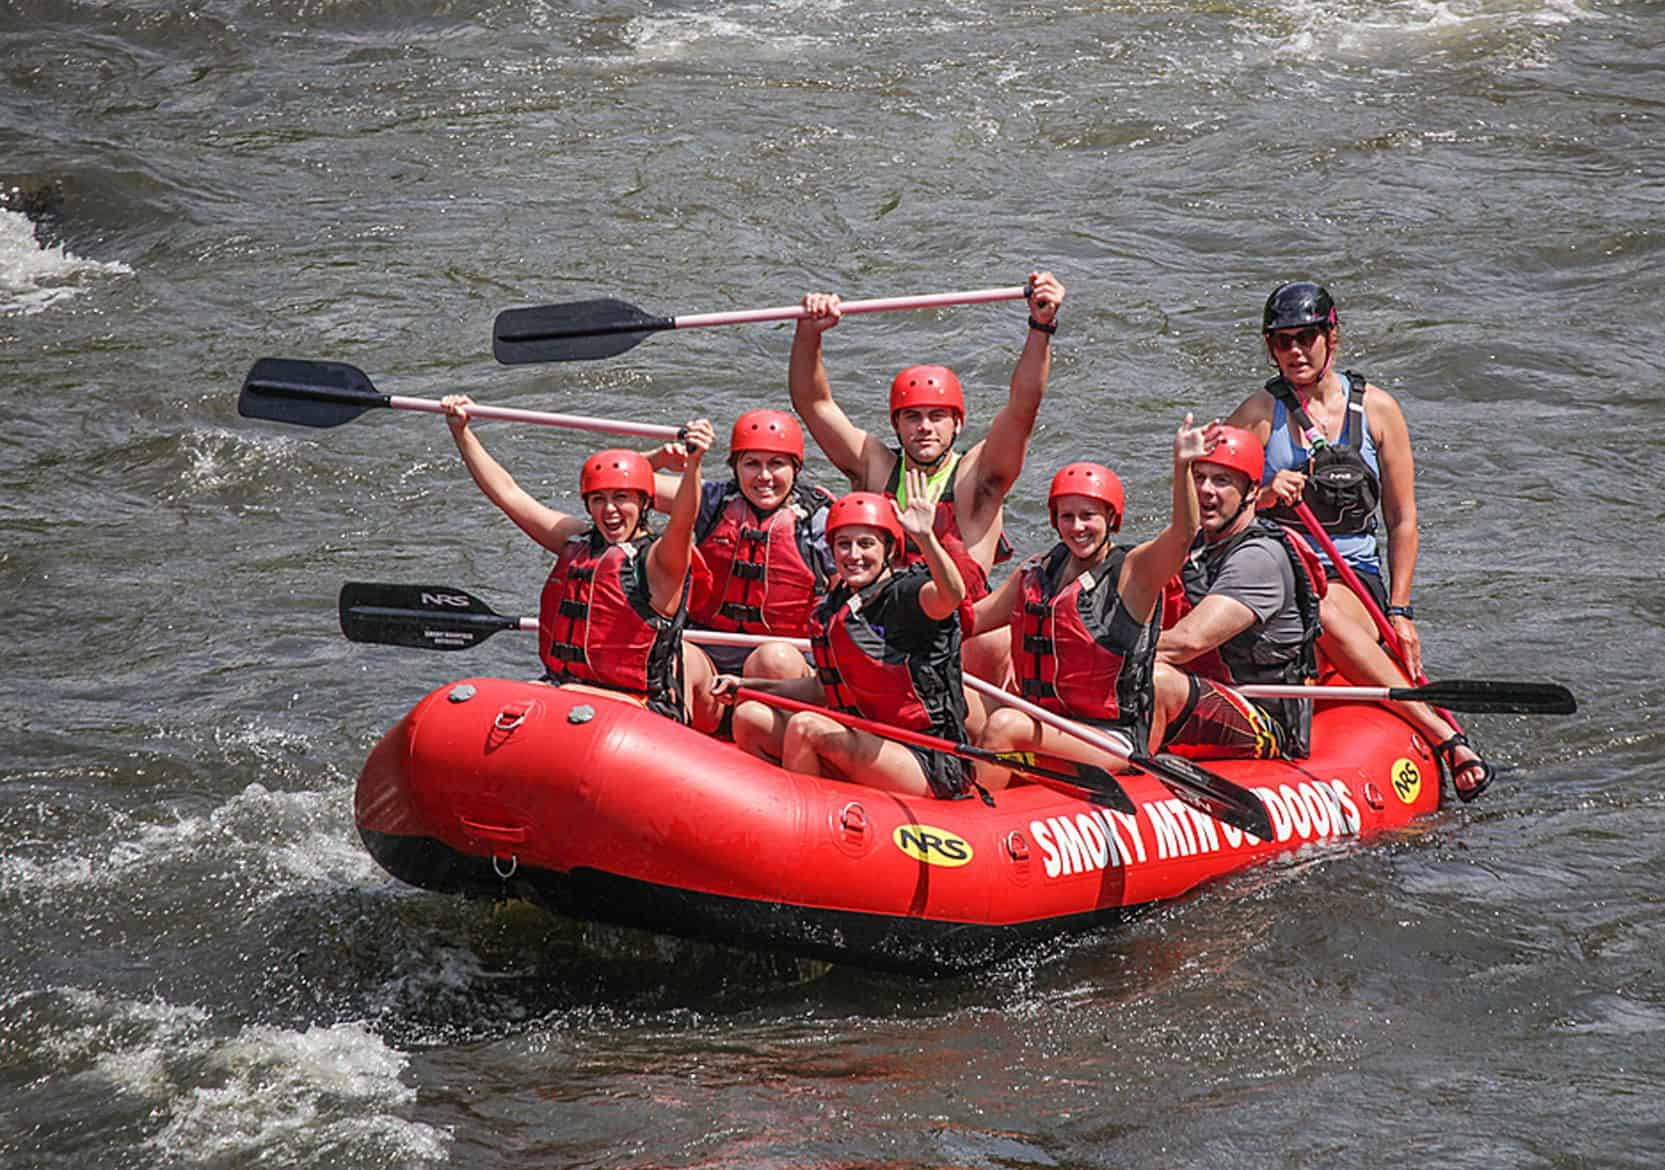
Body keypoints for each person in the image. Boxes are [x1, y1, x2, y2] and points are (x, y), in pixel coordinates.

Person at [1225, 281, 1493, 797]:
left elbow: (1402, 520)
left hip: (1348, 576)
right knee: (1293, 606)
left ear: (1333, 336)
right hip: (1277, 568)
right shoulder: (1258, 414)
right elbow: (1208, 506)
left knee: (1318, 613)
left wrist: (1400, 612)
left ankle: (1442, 733)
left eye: (1306, 337)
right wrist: (1261, 495)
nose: (1296, 351)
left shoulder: (1378, 411)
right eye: (1282, 342)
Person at [788, 271, 1066, 682]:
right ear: (897, 425)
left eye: (937, 417)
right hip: (887, 623)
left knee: (993, 643)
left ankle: (980, 730)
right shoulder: (876, 467)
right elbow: (813, 402)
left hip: (957, 629)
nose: (924, 427)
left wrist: (1041, 326)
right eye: (912, 417)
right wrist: (810, 333)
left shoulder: (979, 476)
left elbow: (1023, 407)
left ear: (957, 424)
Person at [441, 395, 722, 733]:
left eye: (621, 499)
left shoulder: (660, 560)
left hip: (642, 708)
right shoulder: (575, 542)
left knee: (557, 696)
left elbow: (683, 519)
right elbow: (509, 494)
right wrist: (462, 432)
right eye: (598, 500)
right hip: (567, 693)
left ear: (645, 502)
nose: (610, 511)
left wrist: (694, 464)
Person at [971, 416, 1218, 788]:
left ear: (1111, 519)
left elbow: (1183, 536)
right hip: (1047, 721)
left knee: (1005, 725)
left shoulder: (1133, 572)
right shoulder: (1037, 571)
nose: (1077, 527)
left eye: (1089, 516)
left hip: (1109, 738)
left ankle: (977, 820)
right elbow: (971, 620)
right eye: (1067, 517)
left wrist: (1182, 466)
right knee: (956, 696)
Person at [714, 474, 978, 799]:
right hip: (863, 739)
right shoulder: (835, 607)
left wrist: (925, 538)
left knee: (806, 727)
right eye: (844, 544)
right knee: (750, 716)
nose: (854, 555)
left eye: (866, 544)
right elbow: (823, 689)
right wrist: (747, 688)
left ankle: (807, 821)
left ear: (889, 549)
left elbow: (951, 594)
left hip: (925, 756)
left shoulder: (906, 595)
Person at [1156, 426, 1327, 760]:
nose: (1205, 490)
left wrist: (1103, 651)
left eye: (1221, 481)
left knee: (1156, 678)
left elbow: (1188, 642)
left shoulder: (1257, 558)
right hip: (1212, 693)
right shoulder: (1193, 544)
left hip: (1264, 720)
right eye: (1199, 477)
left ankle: (1126, 773)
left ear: (1251, 491)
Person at [647, 408, 833, 681]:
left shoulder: (820, 521)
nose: (764, 477)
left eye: (777, 463)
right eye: (752, 464)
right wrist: (660, 458)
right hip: (707, 649)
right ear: (735, 467)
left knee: (773, 660)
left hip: (785, 662)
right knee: (678, 657)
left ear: (796, 468)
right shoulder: (710, 501)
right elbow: (612, 482)